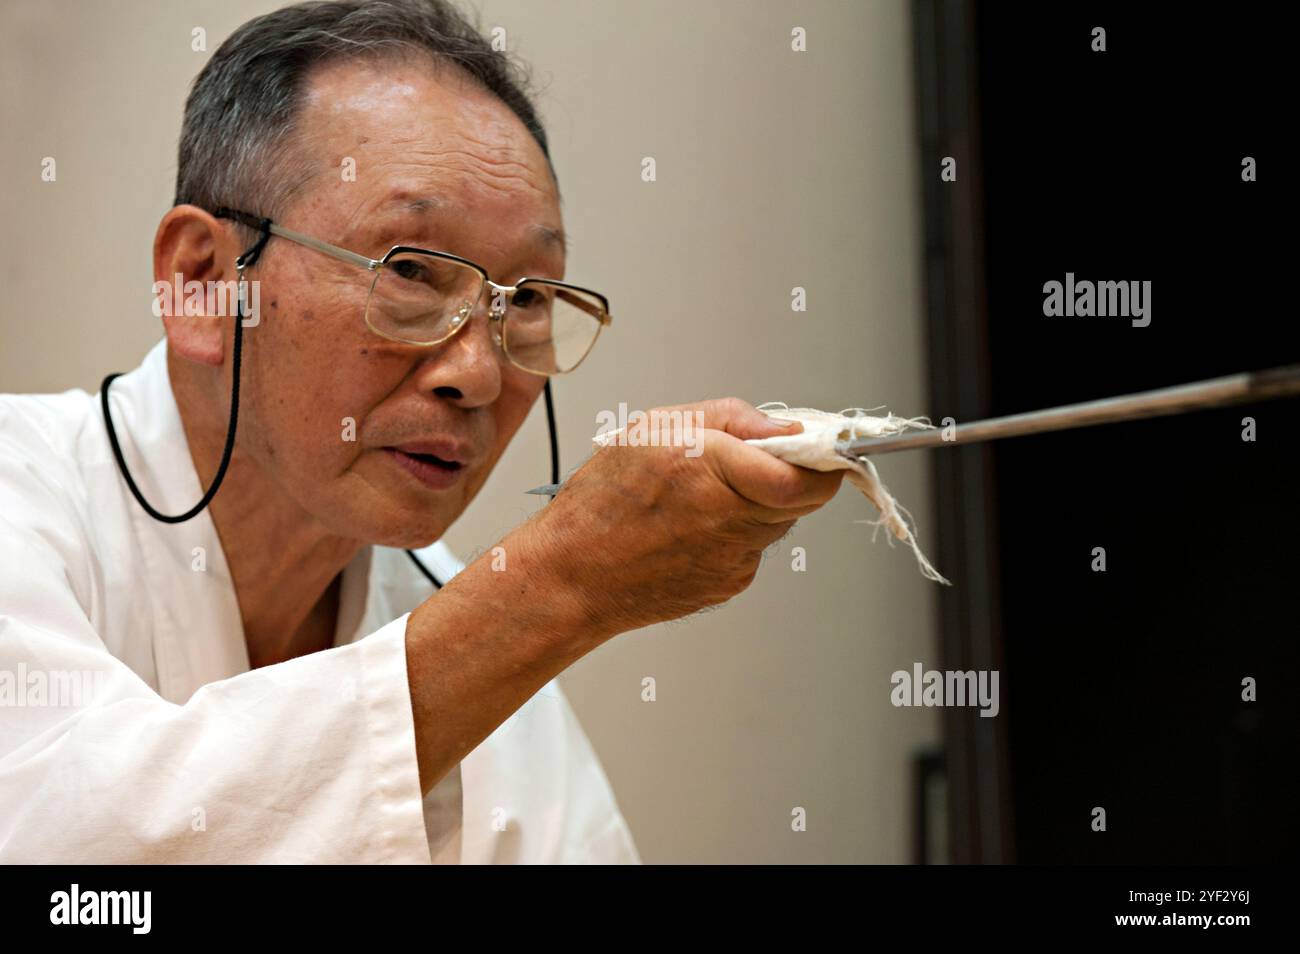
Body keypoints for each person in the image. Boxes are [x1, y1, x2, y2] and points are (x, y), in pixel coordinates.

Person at [0, 0, 844, 863]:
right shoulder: (21, 495)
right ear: (204, 282)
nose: (476, 374)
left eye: (528, 301)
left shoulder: (447, 612)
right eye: (407, 270)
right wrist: (564, 587)